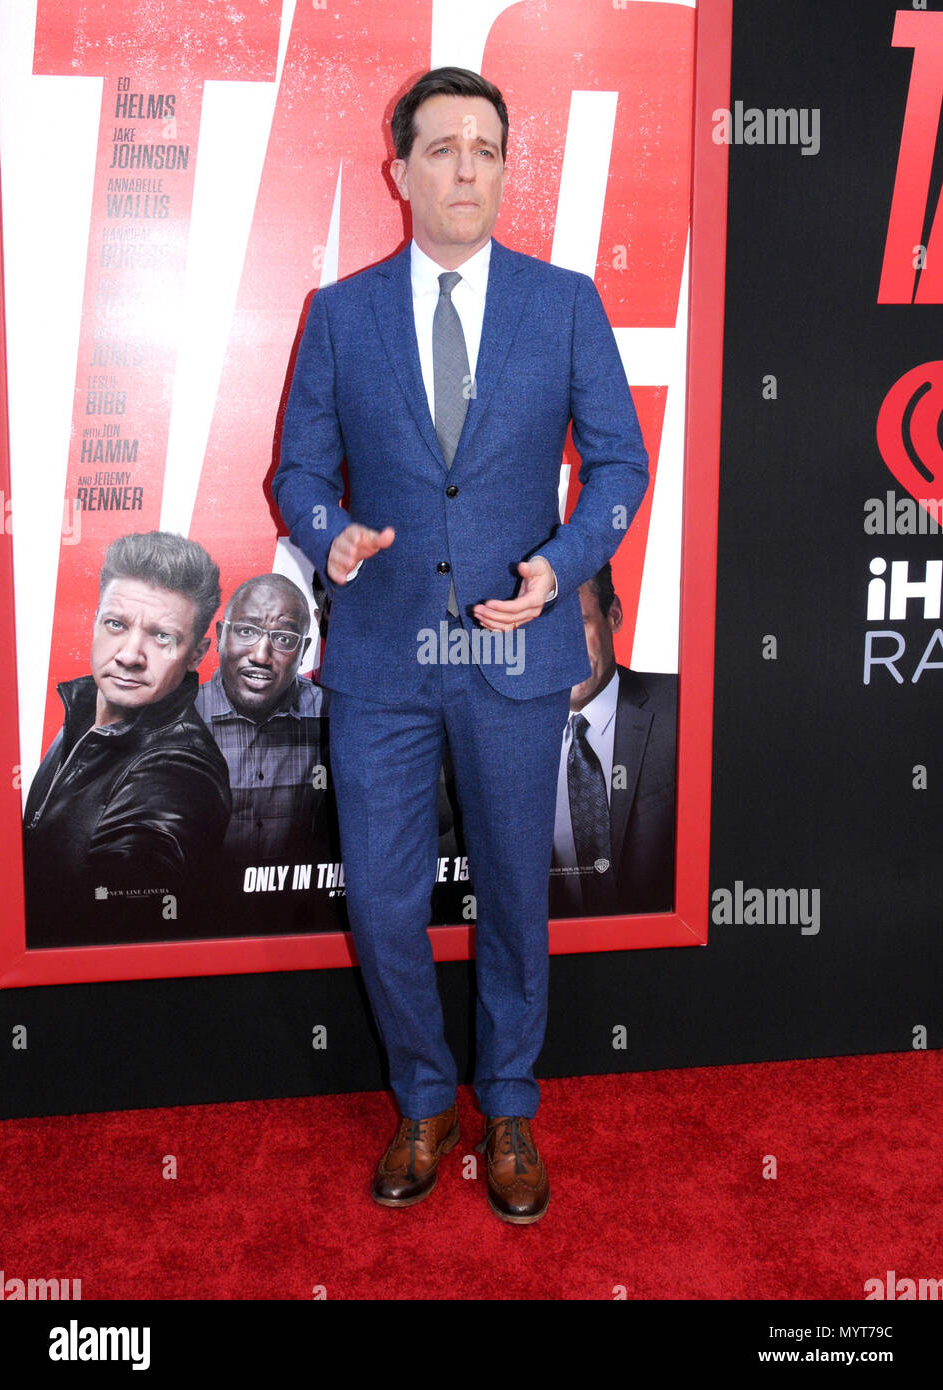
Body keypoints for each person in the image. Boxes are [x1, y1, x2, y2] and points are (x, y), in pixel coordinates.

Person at [273, 67, 648, 1222]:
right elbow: (295, 471)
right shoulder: (339, 313)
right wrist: (328, 540)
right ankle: (424, 1101)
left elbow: (619, 465)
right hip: (382, 654)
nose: (466, 169)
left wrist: (559, 563)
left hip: (514, 649)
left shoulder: (564, 301)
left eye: (484, 148)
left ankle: (513, 1108)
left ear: (503, 166)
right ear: (399, 172)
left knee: (511, 899)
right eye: (441, 149)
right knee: (384, 905)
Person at [23, 531, 231, 947]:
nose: (130, 655)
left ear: (197, 653)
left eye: (161, 637)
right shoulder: (86, 710)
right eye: (116, 624)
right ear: (96, 619)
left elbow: (118, 919)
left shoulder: (177, 774)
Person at [551, 564, 677, 919]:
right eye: (544, 632)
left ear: (614, 616)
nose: (561, 651)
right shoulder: (499, 742)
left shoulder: (681, 708)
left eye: (579, 624)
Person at [194, 573, 332, 869]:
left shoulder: (330, 715)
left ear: (303, 651)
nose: (260, 655)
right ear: (220, 636)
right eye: (245, 631)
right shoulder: (178, 716)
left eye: (284, 638)